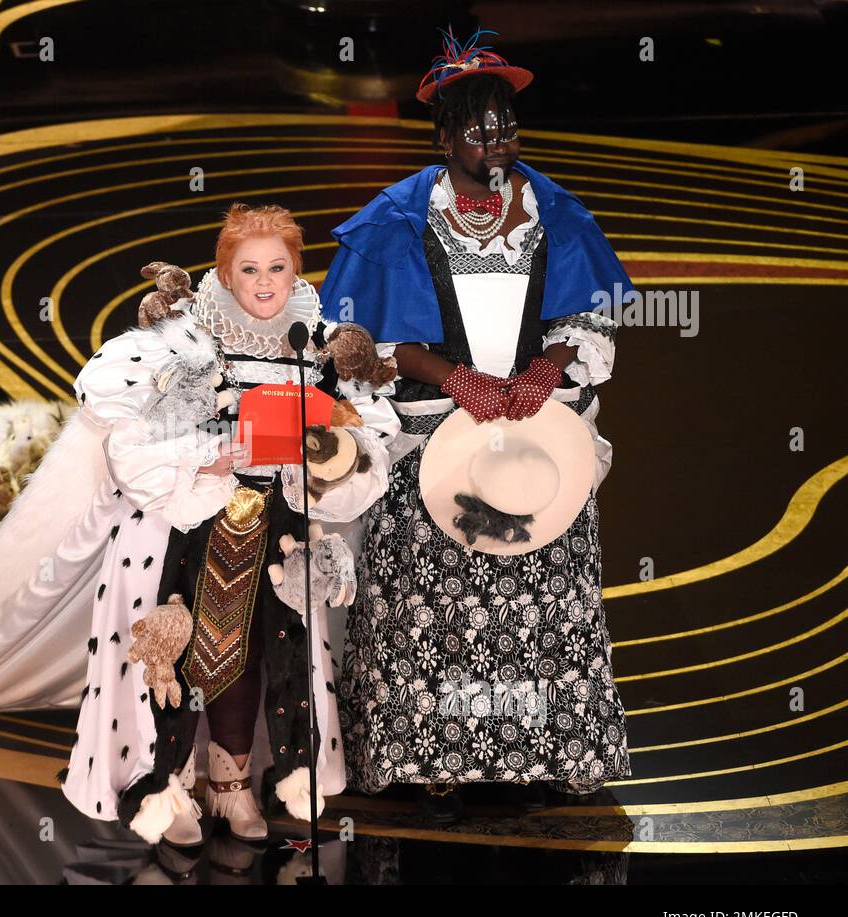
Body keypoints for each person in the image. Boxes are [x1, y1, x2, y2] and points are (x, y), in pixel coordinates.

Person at [318, 27, 633, 822]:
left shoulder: (550, 210)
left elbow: (588, 322)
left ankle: (549, 750)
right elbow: (367, 342)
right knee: (431, 597)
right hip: (431, 429)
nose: (494, 144)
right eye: (476, 130)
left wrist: (545, 370)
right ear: (442, 137)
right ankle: (429, 753)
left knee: (543, 591)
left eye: (506, 129)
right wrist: (454, 378)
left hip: (535, 427)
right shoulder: (396, 218)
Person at [58, 203, 401, 845]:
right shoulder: (186, 339)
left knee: (257, 654)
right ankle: (169, 786)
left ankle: (234, 788)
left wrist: (326, 454)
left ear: (296, 269)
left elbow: (366, 439)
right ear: (226, 272)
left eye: (278, 266)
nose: (265, 282)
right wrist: (205, 455)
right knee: (179, 653)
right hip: (185, 524)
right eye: (250, 269)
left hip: (277, 526)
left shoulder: (318, 341)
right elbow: (130, 442)